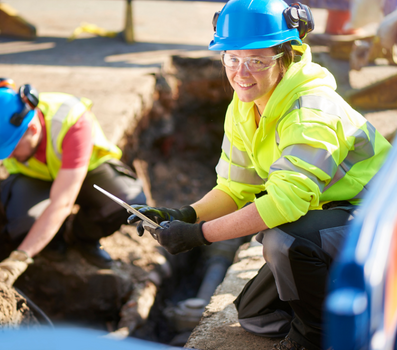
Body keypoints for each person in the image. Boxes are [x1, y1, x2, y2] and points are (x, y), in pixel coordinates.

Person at [128, 1, 392, 349]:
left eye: (257, 60)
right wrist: (184, 215)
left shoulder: (310, 112)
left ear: (286, 57)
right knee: (256, 316)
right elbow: (237, 186)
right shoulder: (245, 104)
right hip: (330, 219)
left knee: (284, 240)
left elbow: (285, 204)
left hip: (378, 221)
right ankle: (328, 293)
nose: (241, 72)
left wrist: (199, 235)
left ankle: (317, 337)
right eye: (232, 58)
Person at [0, 77, 146, 286]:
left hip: (86, 174)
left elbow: (62, 202)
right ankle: (52, 243)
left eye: (10, 149)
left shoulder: (72, 121)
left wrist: (20, 258)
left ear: (31, 128)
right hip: (35, 178)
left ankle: (81, 236)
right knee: (24, 223)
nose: (7, 156)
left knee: (126, 201)